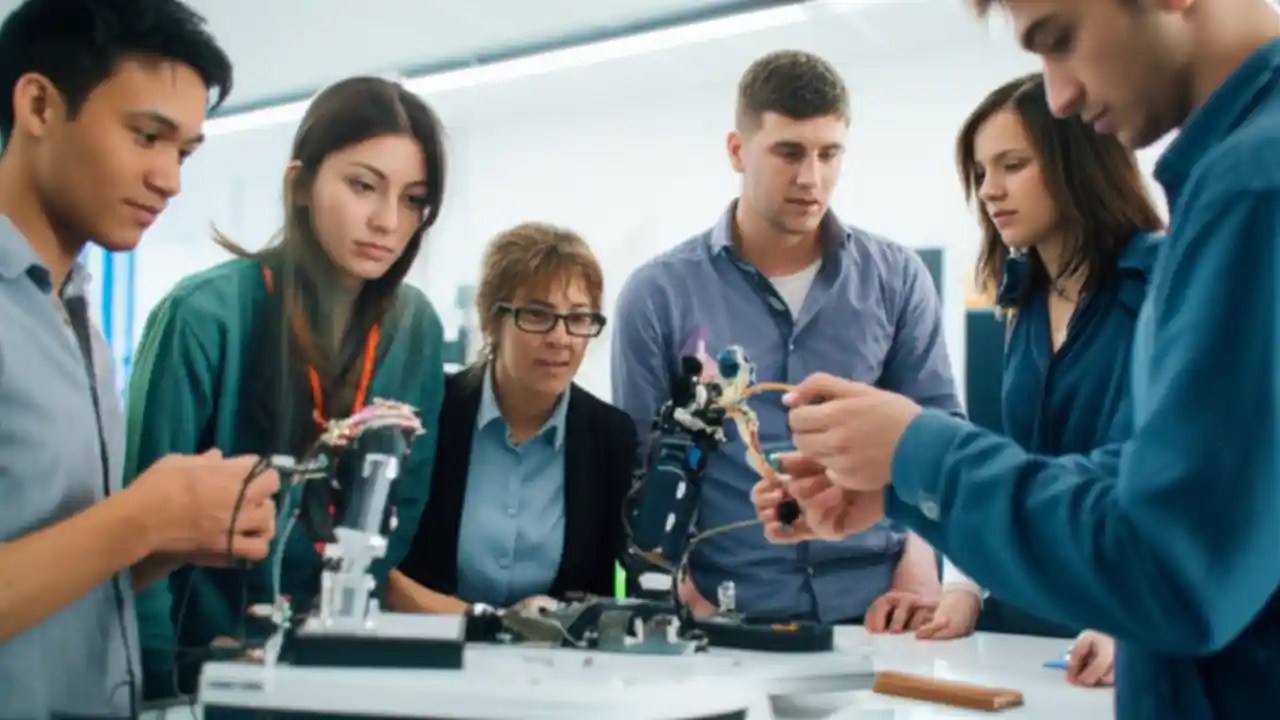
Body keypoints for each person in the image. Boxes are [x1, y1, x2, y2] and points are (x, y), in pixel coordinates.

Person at [753, 0, 1280, 717]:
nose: (1059, 95)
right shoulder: (1031, 305)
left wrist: (920, 453)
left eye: (1061, 40)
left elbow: (1175, 562)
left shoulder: (1253, 189)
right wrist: (902, 487)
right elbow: (1141, 481)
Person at [123, 75, 448, 698]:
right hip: (198, 673)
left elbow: (396, 518)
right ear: (300, 185)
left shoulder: (415, 330)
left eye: (413, 200)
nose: (387, 221)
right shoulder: (204, 317)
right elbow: (142, 534)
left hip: (335, 666)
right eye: (362, 186)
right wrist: (156, 685)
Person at [0, 1, 282, 717]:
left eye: (183, 152)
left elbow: (62, 577)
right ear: (38, 104)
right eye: (146, 136)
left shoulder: (76, 319)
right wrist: (143, 518)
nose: (169, 179)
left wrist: (176, 536)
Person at [612, 49, 958, 627]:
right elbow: (636, 469)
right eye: (789, 153)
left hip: (884, 614)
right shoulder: (658, 295)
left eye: (829, 154)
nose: (811, 178)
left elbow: (939, 439)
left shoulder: (896, 280)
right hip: (724, 618)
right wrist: (668, 584)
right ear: (737, 151)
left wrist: (920, 568)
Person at [872, 72, 1165, 689]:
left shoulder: (1161, 282)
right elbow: (1014, 458)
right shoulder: (1021, 304)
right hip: (1028, 619)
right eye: (981, 173)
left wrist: (1130, 622)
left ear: (1076, 163)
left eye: (1013, 165)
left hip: (1131, 616)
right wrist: (966, 583)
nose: (990, 191)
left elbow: (1167, 485)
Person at [394, 222, 636, 614]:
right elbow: (383, 570)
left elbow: (611, 590)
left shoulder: (611, 436)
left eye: (578, 318)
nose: (560, 338)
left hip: (557, 666)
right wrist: (492, 624)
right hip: (433, 652)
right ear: (492, 321)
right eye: (538, 315)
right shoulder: (431, 412)